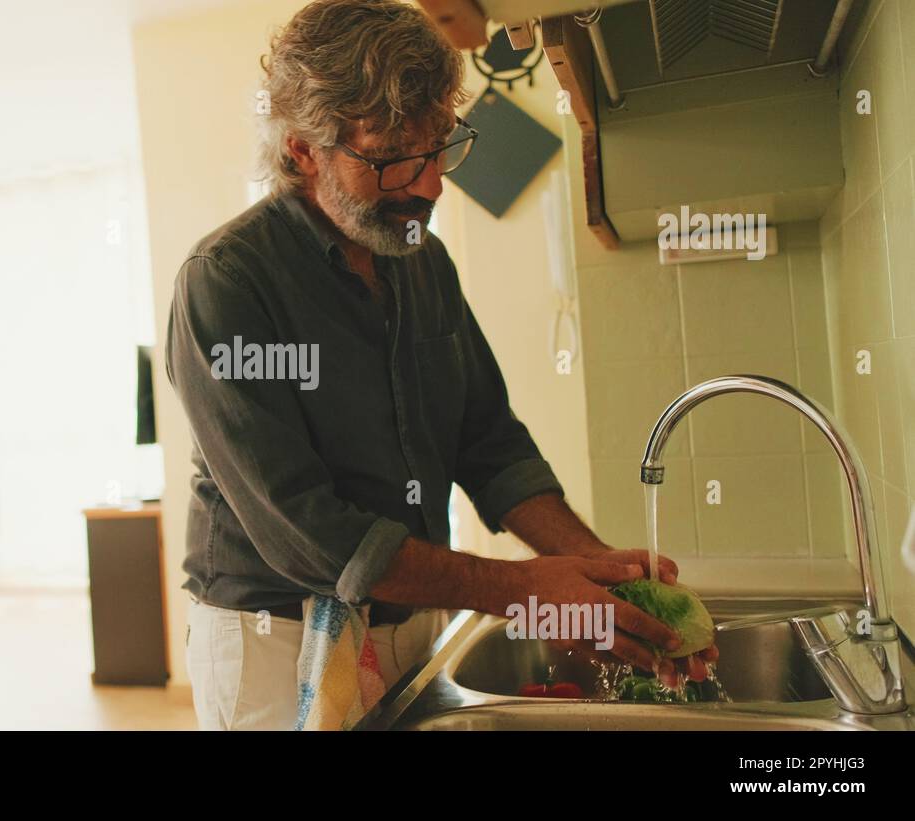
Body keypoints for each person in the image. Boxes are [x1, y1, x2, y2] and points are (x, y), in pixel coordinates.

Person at [165, 0, 716, 731]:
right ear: (302, 150)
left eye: (439, 147)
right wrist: (521, 588)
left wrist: (601, 575)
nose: (430, 186)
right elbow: (305, 528)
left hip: (407, 618)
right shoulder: (226, 282)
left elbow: (486, 440)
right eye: (393, 157)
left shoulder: (422, 262)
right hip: (275, 641)